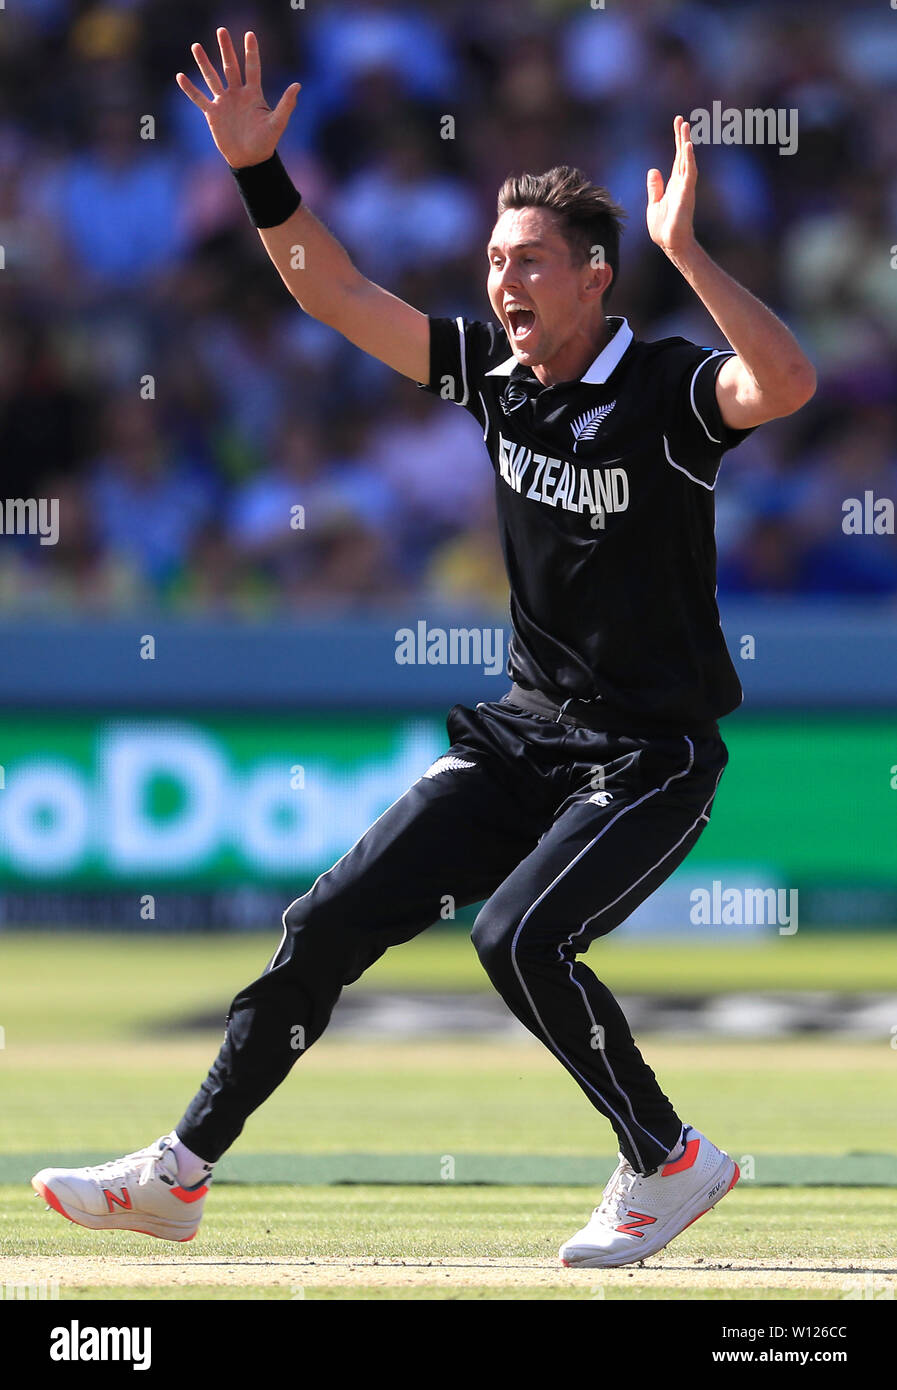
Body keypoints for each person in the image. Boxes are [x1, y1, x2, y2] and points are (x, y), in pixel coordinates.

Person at [32, 29, 816, 1269]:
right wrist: (259, 177)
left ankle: (666, 1160)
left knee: (517, 938)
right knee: (327, 917)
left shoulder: (667, 389)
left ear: (597, 278)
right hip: (525, 736)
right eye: (495, 260)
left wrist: (692, 253)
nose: (504, 284)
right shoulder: (496, 377)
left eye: (532, 265)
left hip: (650, 756)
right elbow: (332, 292)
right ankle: (178, 1173)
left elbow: (785, 380)